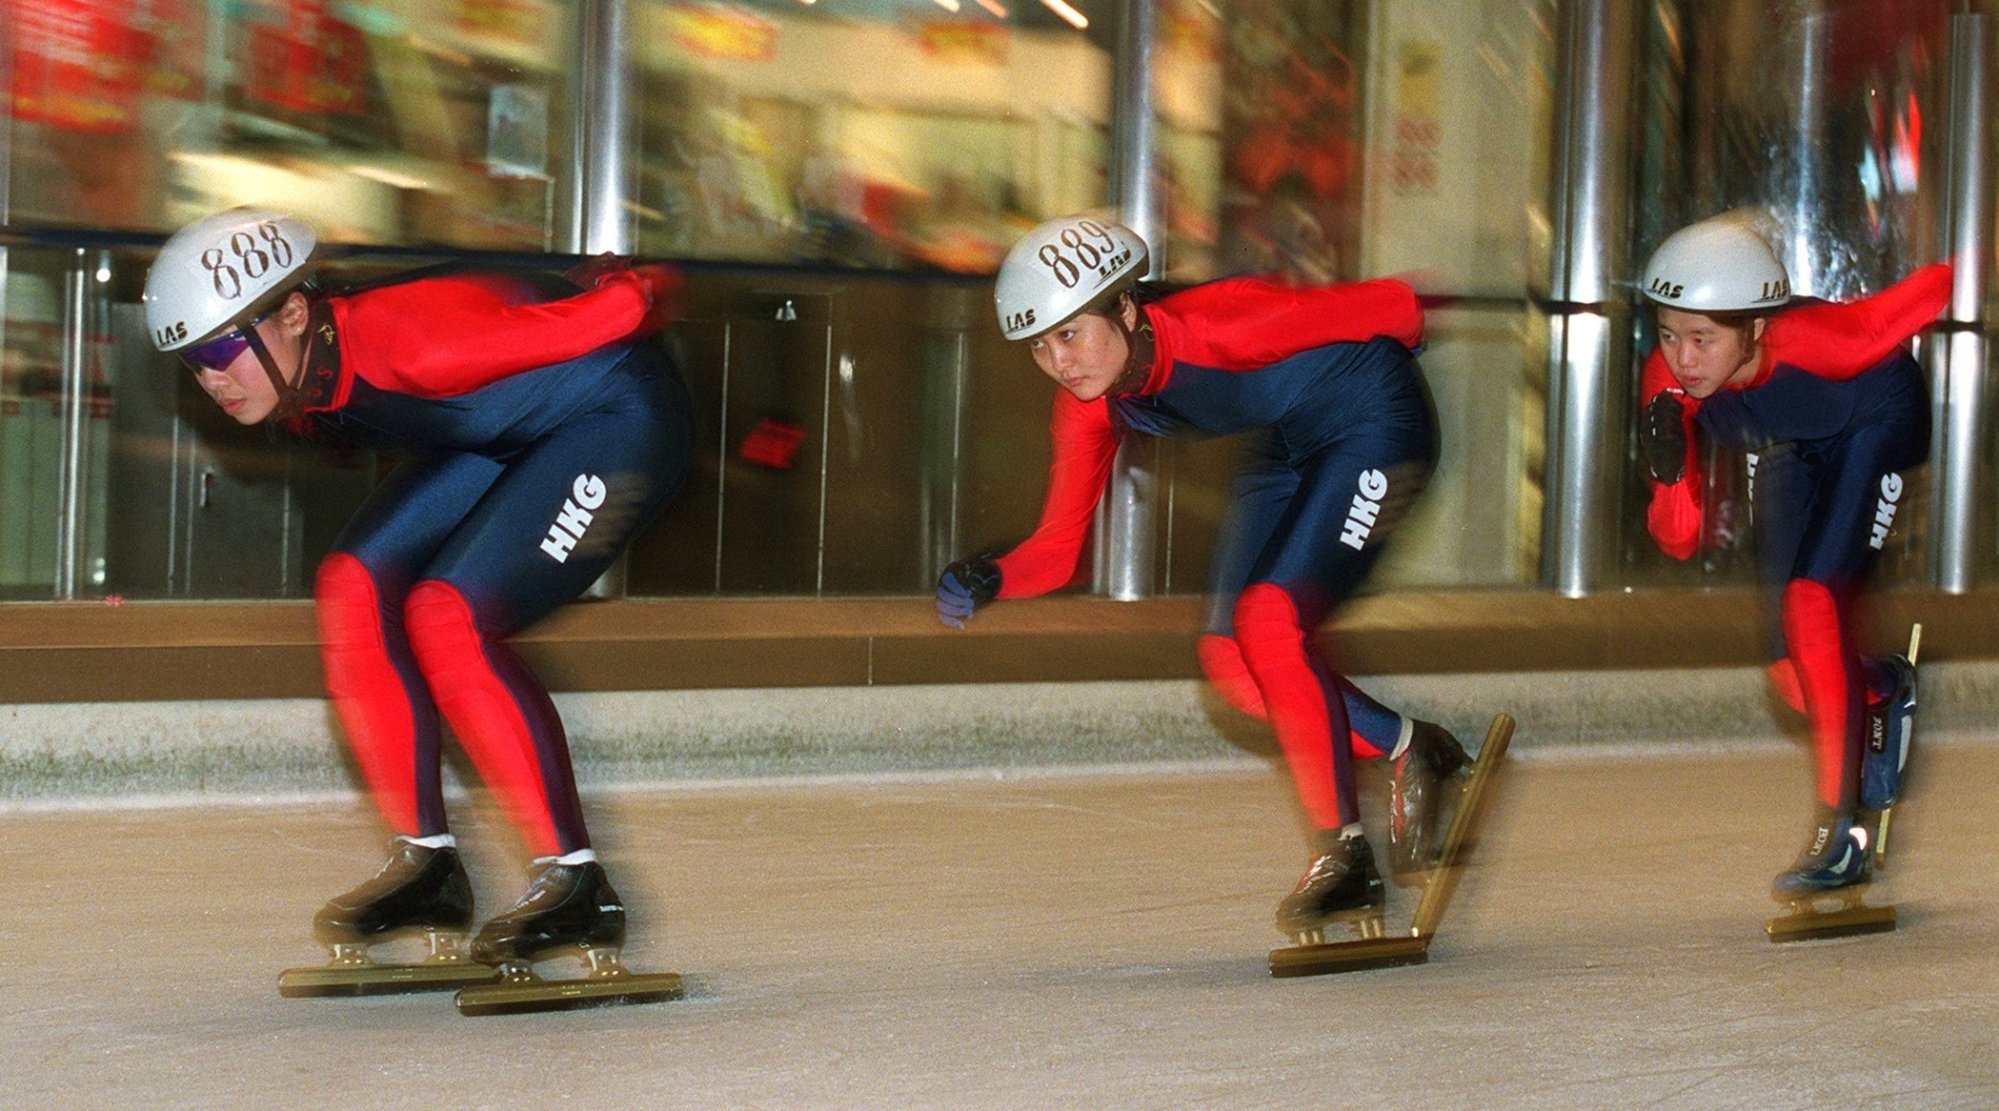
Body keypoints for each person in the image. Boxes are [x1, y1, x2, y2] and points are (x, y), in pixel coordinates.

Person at [142, 207, 691, 995]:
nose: (213, 378)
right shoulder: (308, 370)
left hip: (623, 417)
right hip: (516, 429)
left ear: (294, 313)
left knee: (448, 615)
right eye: (193, 362)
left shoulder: (412, 344)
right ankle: (428, 866)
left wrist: (622, 277)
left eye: (224, 347)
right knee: (354, 587)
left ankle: (578, 885)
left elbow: (623, 309)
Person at [937, 213, 1472, 941]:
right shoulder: (1088, 404)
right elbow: (1060, 551)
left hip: (1378, 421)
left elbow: (1394, 310)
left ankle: (1343, 855)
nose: (1058, 361)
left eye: (1069, 333)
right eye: (1038, 346)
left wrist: (1434, 301)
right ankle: (1416, 749)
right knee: (1230, 661)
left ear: (1125, 308)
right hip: (1292, 444)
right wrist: (990, 575)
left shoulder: (1222, 326)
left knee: (1268, 619)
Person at [1636, 213, 1944, 904]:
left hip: (1878, 418)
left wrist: (1973, 259)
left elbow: (1924, 295)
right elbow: (1677, 538)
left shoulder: (1815, 340)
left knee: (1812, 602)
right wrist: (1666, 465)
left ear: (1754, 328)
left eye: (1701, 338)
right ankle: (1883, 690)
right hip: (1791, 445)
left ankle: (1840, 833)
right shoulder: (1666, 382)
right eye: (1667, 333)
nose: (1682, 358)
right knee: (1790, 671)